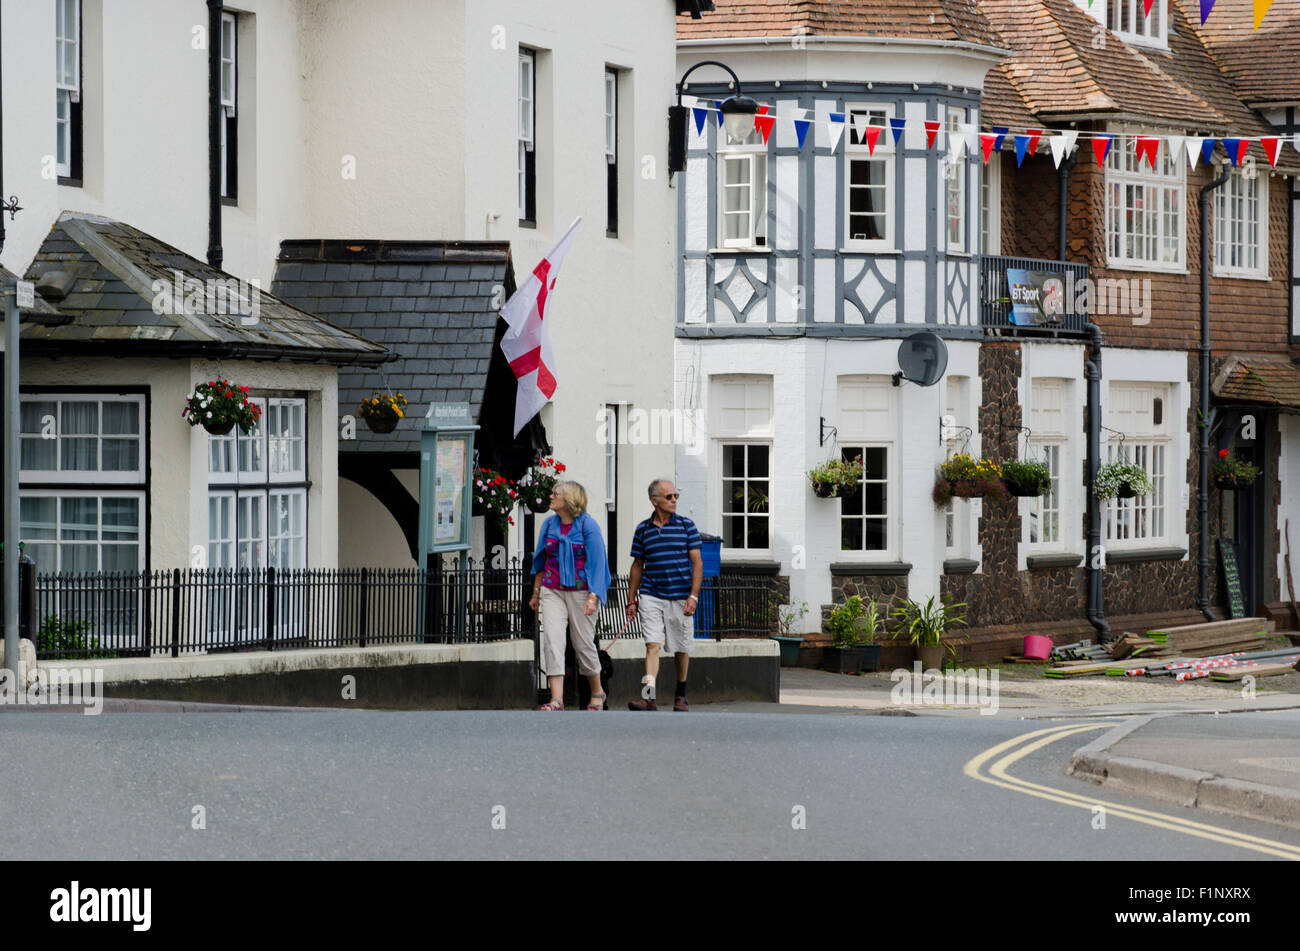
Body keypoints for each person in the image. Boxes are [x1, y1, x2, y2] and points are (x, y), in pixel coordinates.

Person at [529, 480, 612, 711]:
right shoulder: (548, 525)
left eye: (556, 494)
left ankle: (597, 692)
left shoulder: (588, 526)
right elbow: (541, 561)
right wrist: (536, 592)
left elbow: (597, 564)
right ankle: (557, 699)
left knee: (583, 643)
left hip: (581, 591)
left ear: (569, 500)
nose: (551, 496)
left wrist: (594, 597)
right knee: (553, 641)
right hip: (552, 590)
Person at [625, 479, 702, 711]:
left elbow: (697, 563)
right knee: (652, 645)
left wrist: (693, 596)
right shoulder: (643, 529)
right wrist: (631, 599)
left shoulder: (686, 526)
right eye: (669, 497)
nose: (674, 500)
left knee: (681, 647)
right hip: (651, 595)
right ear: (654, 500)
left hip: (680, 595)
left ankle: (681, 695)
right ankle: (649, 696)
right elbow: (637, 565)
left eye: (675, 496)